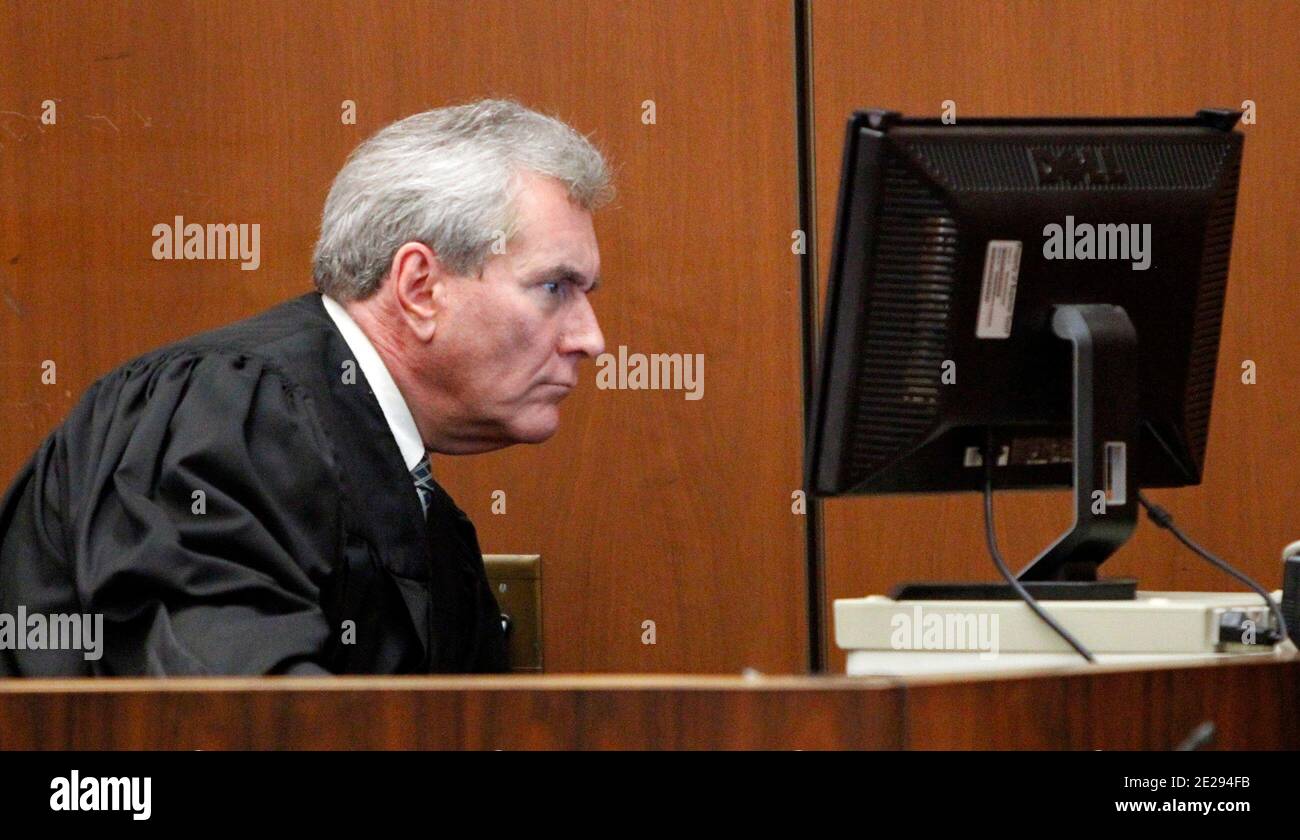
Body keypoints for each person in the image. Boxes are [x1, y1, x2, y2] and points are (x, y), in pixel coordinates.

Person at [0, 99, 612, 675]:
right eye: (554, 287)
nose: (590, 338)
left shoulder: (414, 500)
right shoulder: (228, 411)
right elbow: (232, 722)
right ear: (421, 288)